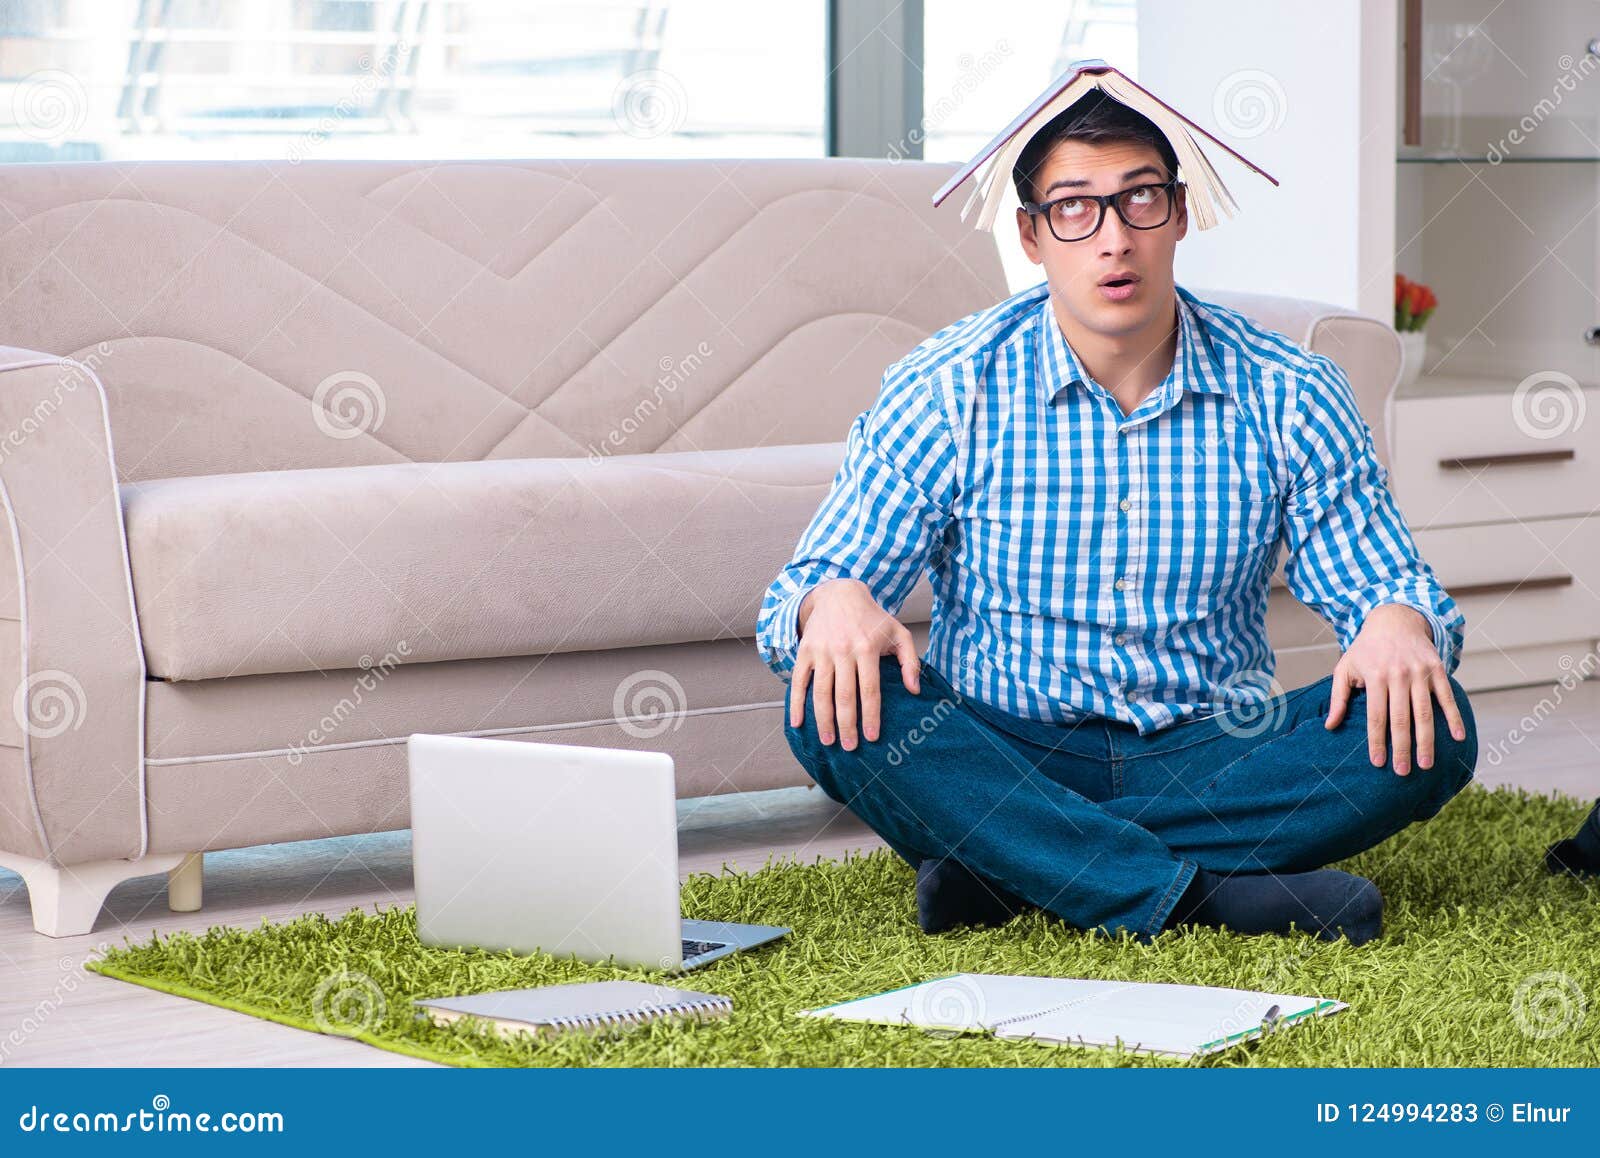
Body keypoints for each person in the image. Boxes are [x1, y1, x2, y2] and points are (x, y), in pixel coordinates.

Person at [754, 90, 1478, 948]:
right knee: (828, 706)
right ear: (1030, 236)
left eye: (1140, 198)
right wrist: (829, 601)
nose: (1113, 237)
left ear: (1179, 213)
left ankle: (1012, 864)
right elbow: (798, 599)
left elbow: (1388, 584)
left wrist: (1397, 619)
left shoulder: (1290, 390)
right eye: (1073, 209)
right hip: (1005, 745)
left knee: (1438, 726)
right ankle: (1196, 897)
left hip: (1213, 747)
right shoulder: (949, 386)